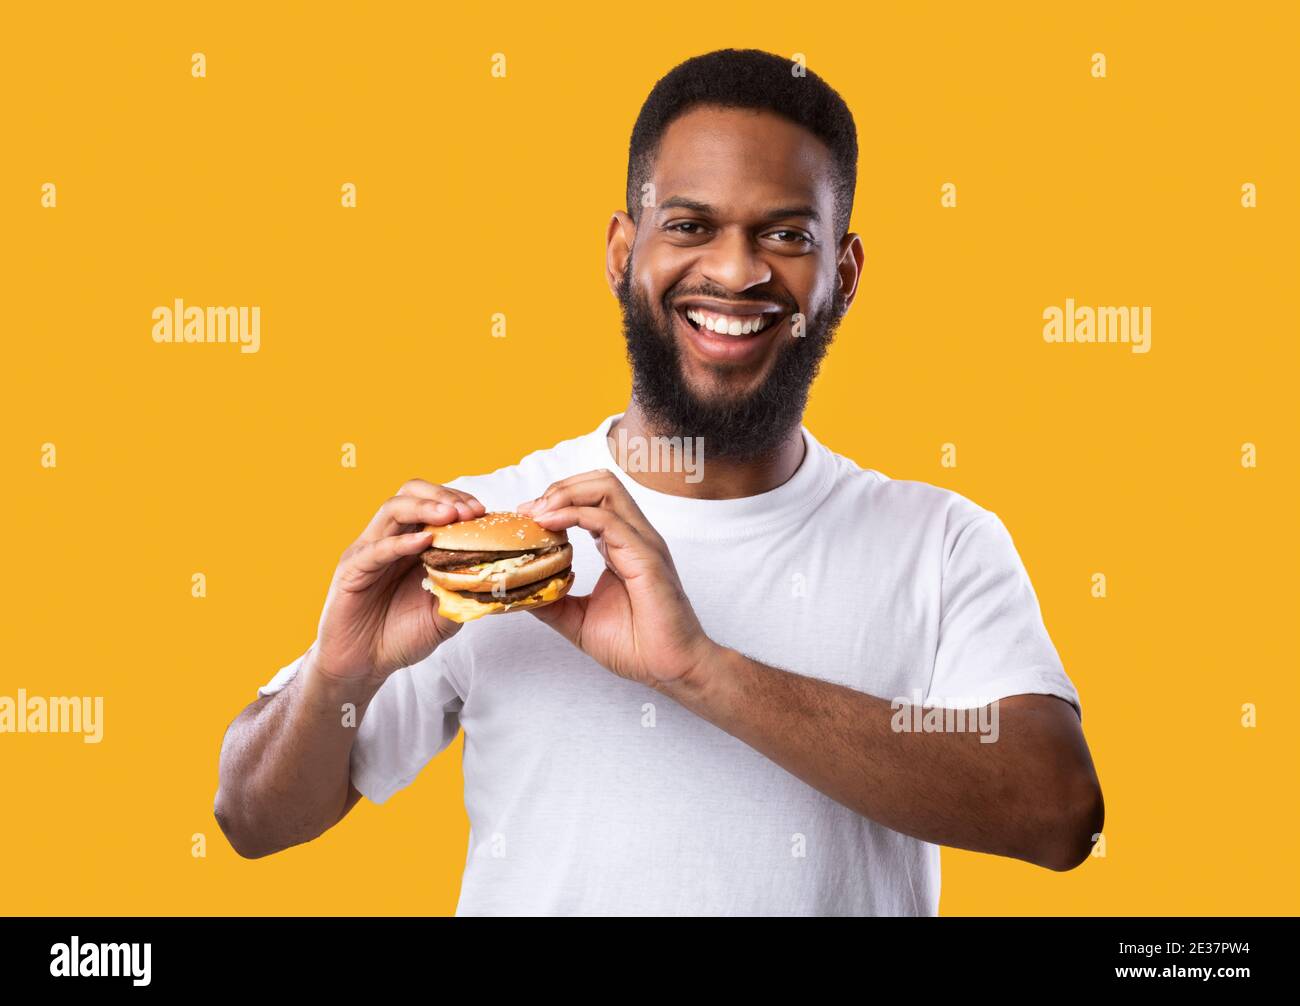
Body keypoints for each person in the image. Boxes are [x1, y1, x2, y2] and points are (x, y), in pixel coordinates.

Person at [214, 48, 1103, 916]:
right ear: (621, 250)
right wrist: (337, 675)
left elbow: (1059, 811)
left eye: (786, 235)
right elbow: (252, 818)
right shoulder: (490, 535)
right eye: (690, 225)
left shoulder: (940, 541)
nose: (733, 270)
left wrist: (703, 673)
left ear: (846, 274)